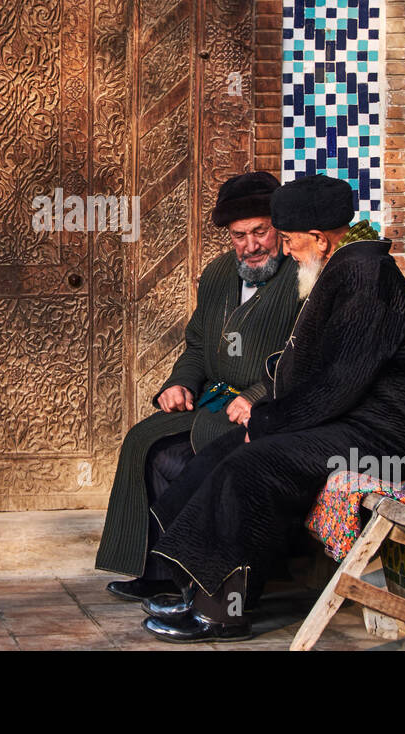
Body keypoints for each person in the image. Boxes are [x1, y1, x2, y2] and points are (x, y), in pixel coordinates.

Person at [140, 173, 405, 642]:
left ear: (319, 238)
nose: (288, 250)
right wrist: (267, 415)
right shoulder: (342, 266)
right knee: (220, 452)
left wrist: (271, 421)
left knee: (250, 465)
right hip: (345, 423)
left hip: (382, 437)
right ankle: (199, 588)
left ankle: (223, 613)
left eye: (292, 240)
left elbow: (339, 384)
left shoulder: (367, 276)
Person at [95, 171, 301, 601]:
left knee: (180, 462)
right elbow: (196, 345)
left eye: (260, 232)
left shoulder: (302, 279)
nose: (251, 246)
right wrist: (179, 383)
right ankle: (156, 573)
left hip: (266, 409)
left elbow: (299, 358)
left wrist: (257, 394)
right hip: (212, 401)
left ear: (278, 228)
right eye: (239, 236)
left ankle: (197, 579)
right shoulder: (219, 274)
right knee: (143, 443)